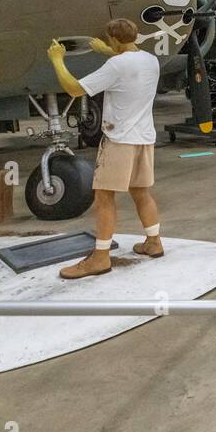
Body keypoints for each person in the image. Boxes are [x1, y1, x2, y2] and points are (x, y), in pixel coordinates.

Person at [46, 18, 163, 279]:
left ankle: (100, 257)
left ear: (113, 39)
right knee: (141, 192)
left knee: (104, 197)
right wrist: (106, 50)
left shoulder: (115, 65)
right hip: (144, 138)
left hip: (119, 140)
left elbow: (74, 89)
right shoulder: (150, 60)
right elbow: (129, 62)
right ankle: (154, 241)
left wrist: (57, 59)